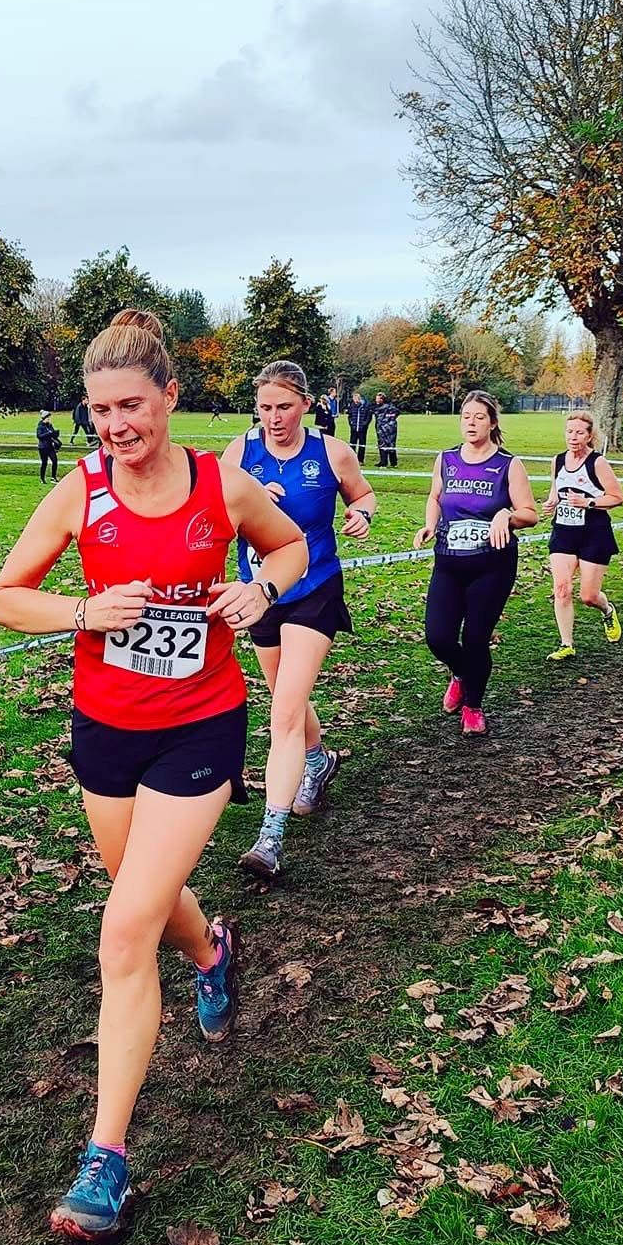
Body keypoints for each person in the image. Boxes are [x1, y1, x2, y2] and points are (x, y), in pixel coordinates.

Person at [0, 309, 307, 1242]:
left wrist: (263, 587)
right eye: (98, 411)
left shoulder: (221, 484)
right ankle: (212, 953)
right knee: (144, 894)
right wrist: (84, 611)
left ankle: (105, 1164)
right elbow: (6, 596)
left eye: (130, 405)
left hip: (199, 727)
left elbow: (286, 545)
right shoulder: (79, 490)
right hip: (106, 733)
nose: (114, 426)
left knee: (124, 930)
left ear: (170, 396)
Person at [224, 360, 376, 880]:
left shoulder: (332, 452)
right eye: (264, 407)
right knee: (285, 696)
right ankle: (316, 761)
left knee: (285, 712)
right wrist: (249, 503)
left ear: (306, 405)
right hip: (260, 593)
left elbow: (363, 493)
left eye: (284, 407)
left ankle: (270, 837)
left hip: (314, 588)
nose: (273, 417)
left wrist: (364, 514)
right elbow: (217, 513)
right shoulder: (240, 453)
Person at [414, 390, 537, 739]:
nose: (471, 422)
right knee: (438, 637)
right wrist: (428, 523)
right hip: (449, 561)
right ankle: (459, 674)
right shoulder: (447, 459)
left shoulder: (508, 465)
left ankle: (473, 705)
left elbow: (530, 513)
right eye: (466, 416)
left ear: (492, 423)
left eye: (479, 417)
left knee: (475, 639)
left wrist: (507, 517)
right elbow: (435, 496)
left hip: (492, 565)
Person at [543, 412, 623, 661]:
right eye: (569, 432)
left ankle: (607, 610)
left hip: (594, 534)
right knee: (562, 588)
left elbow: (617, 497)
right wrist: (551, 502)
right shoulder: (557, 460)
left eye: (579, 432)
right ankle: (566, 643)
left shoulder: (597, 463)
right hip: (564, 533)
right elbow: (556, 490)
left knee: (588, 596)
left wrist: (588, 502)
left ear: (589, 435)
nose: (573, 437)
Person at [346, 387, 373, 464]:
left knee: (362, 444)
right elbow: (349, 416)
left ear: (359, 398)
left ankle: (360, 460)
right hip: (354, 428)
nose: (355, 401)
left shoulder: (366, 406)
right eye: (354, 399)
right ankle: (352, 460)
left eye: (356, 399)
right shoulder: (352, 406)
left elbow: (369, 416)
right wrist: (351, 423)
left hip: (362, 428)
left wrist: (365, 424)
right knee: (352, 444)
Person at [374, 392, 399, 468]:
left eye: (378, 399)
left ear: (382, 399)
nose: (376, 400)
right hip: (380, 429)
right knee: (381, 445)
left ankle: (393, 462)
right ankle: (383, 462)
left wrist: (389, 422)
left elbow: (396, 413)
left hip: (389, 430)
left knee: (391, 445)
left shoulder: (390, 407)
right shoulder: (377, 408)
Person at [36, 410, 62, 483]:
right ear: (44, 418)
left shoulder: (49, 425)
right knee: (44, 463)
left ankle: (53, 477)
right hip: (43, 447)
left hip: (50, 446)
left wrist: (55, 433)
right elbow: (39, 436)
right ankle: (42, 478)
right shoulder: (40, 426)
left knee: (55, 461)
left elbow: (52, 434)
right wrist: (48, 433)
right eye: (48, 418)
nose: (49, 419)